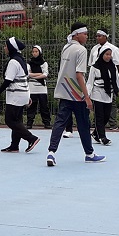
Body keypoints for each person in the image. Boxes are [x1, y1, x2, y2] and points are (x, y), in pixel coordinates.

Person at [45, 23, 105, 167]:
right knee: (84, 124)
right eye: (85, 33)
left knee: (60, 123)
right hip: (77, 94)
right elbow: (79, 75)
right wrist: (87, 97)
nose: (87, 36)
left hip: (64, 92)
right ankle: (89, 154)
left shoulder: (66, 48)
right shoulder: (81, 50)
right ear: (77, 34)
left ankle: (51, 152)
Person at [0, 36, 40, 153]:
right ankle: (14, 145)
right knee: (17, 120)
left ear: (11, 48)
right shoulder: (21, 60)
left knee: (10, 120)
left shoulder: (13, 62)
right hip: (23, 93)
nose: (4, 48)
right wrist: (28, 96)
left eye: (6, 46)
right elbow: (25, 79)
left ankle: (31, 138)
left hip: (16, 95)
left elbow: (8, 80)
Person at [88, 47, 119, 145]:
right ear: (101, 55)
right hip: (97, 94)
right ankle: (102, 137)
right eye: (107, 54)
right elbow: (89, 83)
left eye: (110, 54)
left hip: (108, 94)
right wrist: (87, 96)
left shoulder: (113, 66)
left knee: (106, 116)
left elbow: (118, 80)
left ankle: (95, 134)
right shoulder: (95, 67)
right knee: (99, 117)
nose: (109, 56)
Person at [89, 28, 119, 130]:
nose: (97, 38)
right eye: (96, 36)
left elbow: (118, 64)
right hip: (97, 79)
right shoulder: (94, 49)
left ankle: (112, 122)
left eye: (100, 36)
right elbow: (91, 64)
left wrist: (111, 75)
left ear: (105, 37)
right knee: (97, 103)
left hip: (109, 80)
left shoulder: (113, 49)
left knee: (111, 102)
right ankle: (97, 124)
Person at [25, 44, 51, 129]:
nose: (34, 53)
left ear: (40, 52)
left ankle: (47, 122)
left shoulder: (44, 63)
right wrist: (39, 74)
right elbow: (27, 74)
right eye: (33, 52)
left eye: (36, 51)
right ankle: (29, 123)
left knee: (44, 106)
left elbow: (45, 74)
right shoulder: (29, 63)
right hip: (32, 88)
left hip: (42, 88)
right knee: (31, 106)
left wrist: (34, 76)